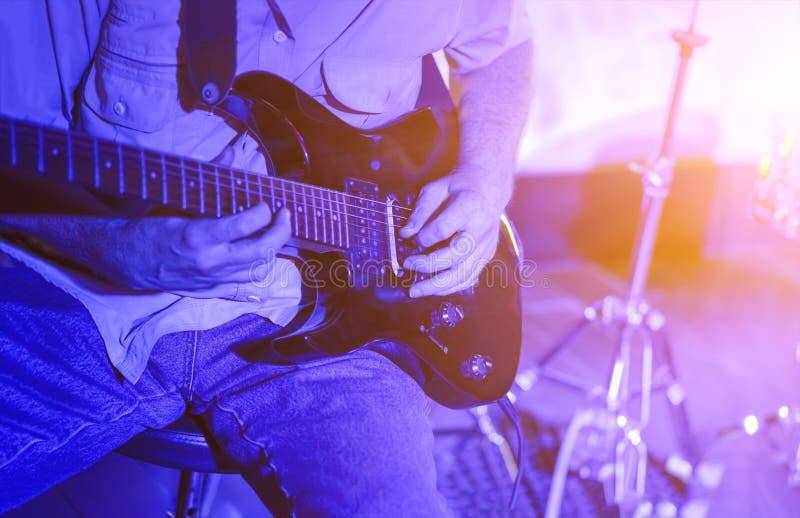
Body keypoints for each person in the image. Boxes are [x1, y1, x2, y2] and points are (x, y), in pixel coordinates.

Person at [0, 1, 532, 515]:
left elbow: (504, 43)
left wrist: (484, 182)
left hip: (332, 330)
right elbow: (14, 167)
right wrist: (115, 247)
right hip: (93, 301)